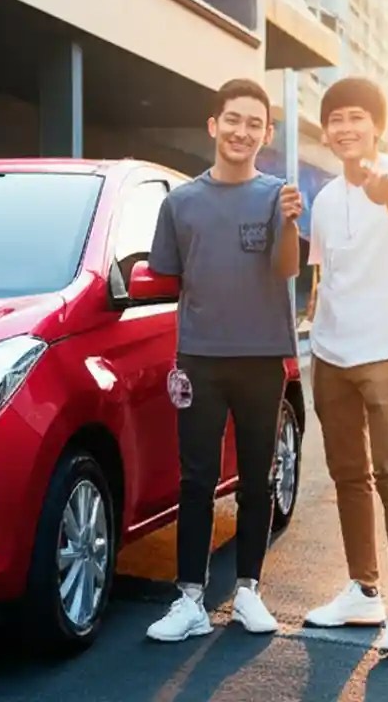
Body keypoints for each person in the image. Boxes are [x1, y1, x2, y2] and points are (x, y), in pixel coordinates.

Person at [144, 78, 304, 641]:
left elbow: (287, 269)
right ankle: (188, 598)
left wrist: (290, 221)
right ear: (214, 126)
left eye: (254, 123)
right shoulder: (179, 203)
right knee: (196, 479)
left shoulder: (278, 194)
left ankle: (248, 592)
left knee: (257, 479)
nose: (242, 131)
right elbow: (163, 278)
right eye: (232, 120)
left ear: (266, 133)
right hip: (200, 359)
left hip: (262, 357)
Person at [302, 76, 388, 655]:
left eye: (357, 117)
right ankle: (363, 590)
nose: (346, 127)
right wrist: (308, 333)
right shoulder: (327, 199)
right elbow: (321, 275)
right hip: (329, 354)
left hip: (384, 351)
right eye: (336, 119)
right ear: (326, 131)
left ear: (375, 124)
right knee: (347, 478)